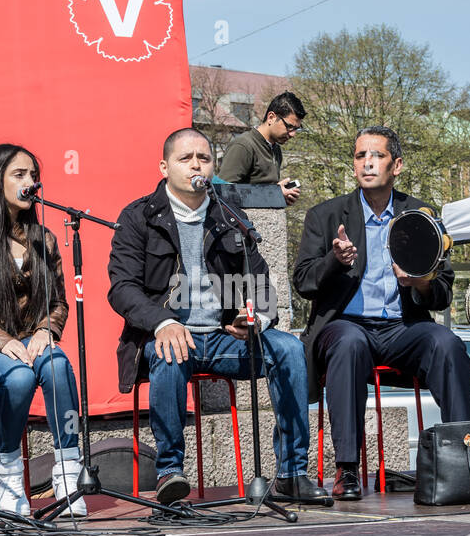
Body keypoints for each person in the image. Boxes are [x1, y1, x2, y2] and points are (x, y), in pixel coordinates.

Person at [108, 127, 327, 505]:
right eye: (186, 158)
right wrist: (163, 322)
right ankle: (169, 472)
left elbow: (260, 283)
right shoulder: (138, 217)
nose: (197, 165)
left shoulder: (229, 216)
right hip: (168, 337)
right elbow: (122, 288)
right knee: (168, 350)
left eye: (204, 158)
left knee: (289, 349)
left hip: (225, 337)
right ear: (164, 167)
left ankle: (293, 473)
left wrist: (257, 318)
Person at [294, 126, 470, 500]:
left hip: (403, 328)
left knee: (447, 343)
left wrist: (420, 282)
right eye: (360, 156)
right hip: (346, 325)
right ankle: (347, 470)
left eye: (376, 155)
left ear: (397, 166)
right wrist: (334, 260)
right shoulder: (325, 215)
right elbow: (303, 281)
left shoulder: (420, 215)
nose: (367, 163)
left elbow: (442, 292)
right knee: (348, 345)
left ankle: (466, 459)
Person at [0, 143, 85, 518]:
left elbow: (58, 303)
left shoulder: (44, 238)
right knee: (20, 378)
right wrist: (4, 341)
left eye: (34, 176)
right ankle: (7, 473)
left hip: (29, 339)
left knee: (56, 366)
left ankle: (68, 472)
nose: (31, 183)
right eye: (20, 175)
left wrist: (46, 332)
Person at [217, 91, 305, 206]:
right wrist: (273, 193)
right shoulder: (243, 146)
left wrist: (281, 197)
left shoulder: (276, 149)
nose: (293, 134)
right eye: (289, 126)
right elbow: (224, 194)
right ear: (271, 117)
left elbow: (260, 195)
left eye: (297, 129)